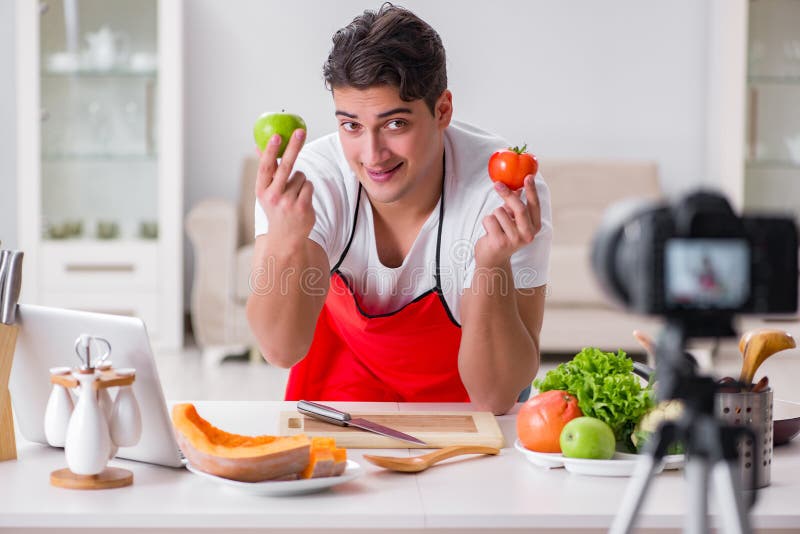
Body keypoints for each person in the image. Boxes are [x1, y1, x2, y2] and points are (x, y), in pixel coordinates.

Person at [247, 3, 552, 415]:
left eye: (395, 124)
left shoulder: (502, 192)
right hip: (342, 392)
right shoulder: (308, 181)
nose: (372, 155)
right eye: (351, 125)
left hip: (463, 405)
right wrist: (285, 243)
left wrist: (491, 263)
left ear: (441, 110)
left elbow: (495, 396)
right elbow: (280, 350)